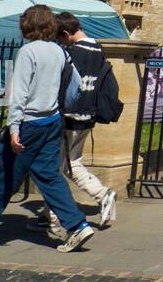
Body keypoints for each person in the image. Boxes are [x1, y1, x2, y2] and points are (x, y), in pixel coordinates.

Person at [0, 5, 95, 255]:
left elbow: (19, 94)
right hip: (51, 121)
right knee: (49, 175)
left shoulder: (28, 52)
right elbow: (77, 84)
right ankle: (77, 224)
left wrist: (14, 128)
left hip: (28, 124)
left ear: (28, 25)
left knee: (0, 181)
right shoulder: (59, 51)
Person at [28, 13, 119, 239]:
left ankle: (100, 196)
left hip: (69, 117)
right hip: (87, 116)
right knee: (62, 165)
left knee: (61, 167)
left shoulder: (71, 53)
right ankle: (52, 214)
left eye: (61, 38)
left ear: (66, 34)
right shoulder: (98, 50)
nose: (60, 42)